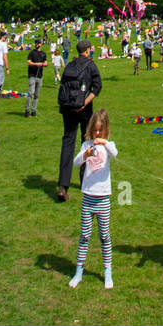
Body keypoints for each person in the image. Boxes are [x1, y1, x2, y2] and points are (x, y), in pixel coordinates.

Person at [68, 109, 117, 290]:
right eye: (95, 130)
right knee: (85, 235)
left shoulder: (107, 145)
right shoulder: (86, 145)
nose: (97, 133)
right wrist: (85, 154)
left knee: (104, 235)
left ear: (105, 130)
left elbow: (116, 153)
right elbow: (75, 163)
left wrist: (104, 141)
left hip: (103, 197)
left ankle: (107, 272)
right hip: (88, 197)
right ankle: (79, 271)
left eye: (100, 130)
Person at [56, 40, 102, 202]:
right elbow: (97, 87)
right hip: (84, 109)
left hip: (67, 107)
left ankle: (63, 185)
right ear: (88, 50)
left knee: (68, 142)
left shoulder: (70, 65)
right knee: (87, 143)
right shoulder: (90, 65)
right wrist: (85, 102)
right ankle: (86, 181)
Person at [26, 39, 47, 117]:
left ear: (41, 44)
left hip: (40, 76)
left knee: (36, 95)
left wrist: (43, 64)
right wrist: (36, 64)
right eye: (36, 43)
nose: (37, 44)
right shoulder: (32, 53)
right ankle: (27, 110)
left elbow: (46, 62)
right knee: (31, 93)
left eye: (38, 43)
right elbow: (28, 62)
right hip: (32, 75)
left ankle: (34, 111)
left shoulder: (43, 53)